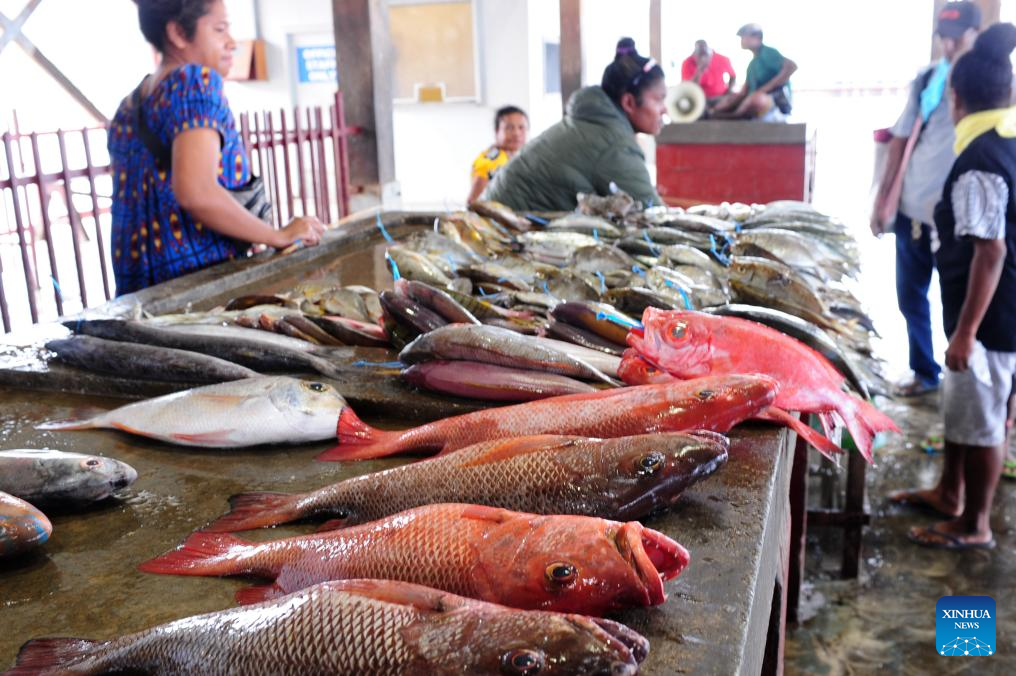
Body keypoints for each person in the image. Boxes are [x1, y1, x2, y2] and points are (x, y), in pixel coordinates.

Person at [109, 0, 324, 296]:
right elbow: (196, 192)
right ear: (178, 33)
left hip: (139, 292)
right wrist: (278, 235)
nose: (231, 42)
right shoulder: (196, 81)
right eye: (220, 29)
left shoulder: (130, 105)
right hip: (196, 288)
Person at [896, 22, 1016, 551]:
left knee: (984, 421)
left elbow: (991, 252)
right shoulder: (1005, 140)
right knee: (966, 407)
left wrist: (966, 333)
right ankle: (949, 492)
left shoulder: (979, 160)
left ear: (956, 99)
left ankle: (974, 524)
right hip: (989, 310)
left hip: (988, 319)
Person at [870, 2, 982, 397]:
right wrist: (883, 199)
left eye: (958, 38)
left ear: (975, 35)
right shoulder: (928, 80)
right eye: (944, 38)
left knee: (962, 301)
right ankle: (924, 370)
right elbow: (901, 140)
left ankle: (966, 377)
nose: (949, 46)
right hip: (914, 208)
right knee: (910, 296)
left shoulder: (992, 83)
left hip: (963, 219)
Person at [483, 38, 665, 212]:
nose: (665, 110)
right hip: (497, 226)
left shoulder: (593, 124)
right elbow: (655, 217)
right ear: (629, 102)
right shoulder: (614, 143)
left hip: (491, 216)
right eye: (659, 99)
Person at [710, 23, 796, 121]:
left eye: (745, 36)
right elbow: (744, 91)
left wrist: (764, 89)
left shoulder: (767, 52)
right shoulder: (752, 65)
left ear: (757, 37)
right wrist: (728, 102)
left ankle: (736, 115)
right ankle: (717, 114)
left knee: (756, 99)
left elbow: (791, 66)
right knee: (731, 98)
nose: (742, 40)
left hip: (776, 104)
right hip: (754, 101)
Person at [466, 106, 529, 205]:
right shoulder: (489, 161)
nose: (516, 133)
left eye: (521, 127)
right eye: (509, 128)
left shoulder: (522, 157)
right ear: (497, 131)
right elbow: (474, 201)